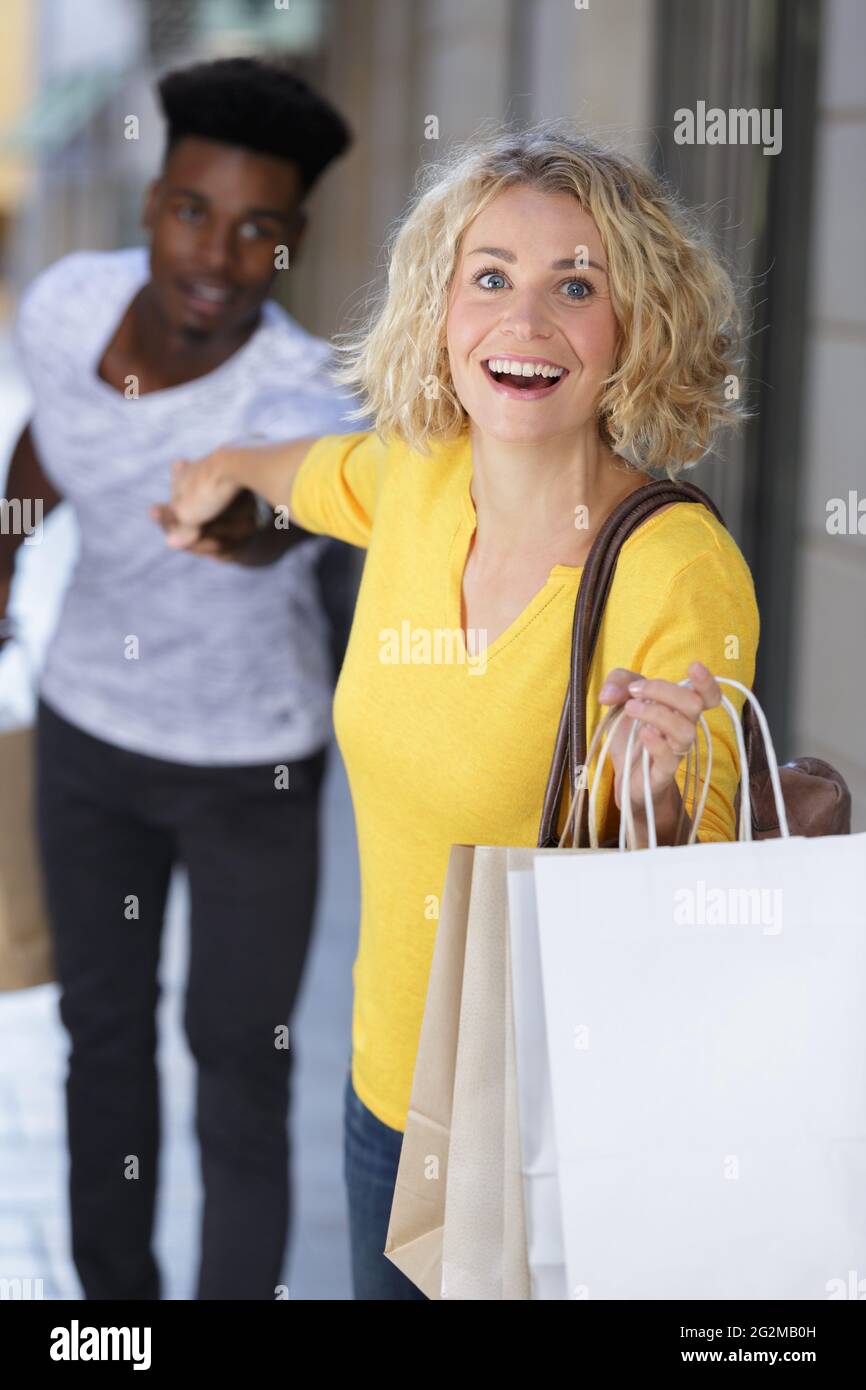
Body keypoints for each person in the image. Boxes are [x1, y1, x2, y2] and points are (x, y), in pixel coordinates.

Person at [155, 123, 760, 1300]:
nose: (522, 323)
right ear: (440, 310)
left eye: (573, 287)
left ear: (634, 327)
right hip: (387, 1095)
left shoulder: (672, 569)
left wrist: (659, 808)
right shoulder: (417, 479)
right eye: (489, 277)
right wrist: (218, 469)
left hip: (555, 1133)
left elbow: (711, 884)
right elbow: (308, 476)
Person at [0, 57, 357, 1300]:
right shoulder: (60, 307)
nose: (217, 255)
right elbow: (48, 438)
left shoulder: (304, 394)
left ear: (293, 242)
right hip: (88, 734)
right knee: (101, 1041)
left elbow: (281, 520)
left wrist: (236, 524)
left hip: (251, 767)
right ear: (153, 202)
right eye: (193, 213)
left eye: (258, 230)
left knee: (240, 1068)